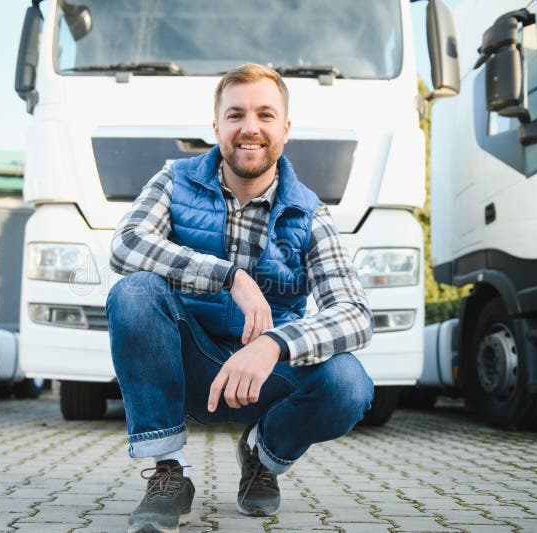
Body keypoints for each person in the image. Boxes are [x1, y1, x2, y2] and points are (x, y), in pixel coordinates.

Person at [108, 63, 374, 533]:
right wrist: (231, 277)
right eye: (236, 115)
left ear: (285, 130)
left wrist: (274, 344)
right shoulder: (174, 180)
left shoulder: (310, 213)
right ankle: (168, 472)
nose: (250, 128)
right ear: (216, 127)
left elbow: (354, 314)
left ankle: (261, 455)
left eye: (265, 115)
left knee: (349, 384)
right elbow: (126, 244)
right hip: (190, 365)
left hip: (266, 377)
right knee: (133, 292)